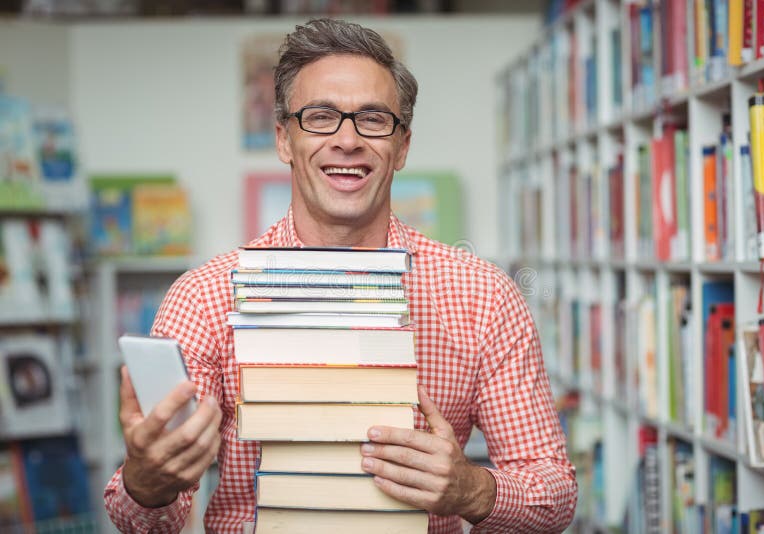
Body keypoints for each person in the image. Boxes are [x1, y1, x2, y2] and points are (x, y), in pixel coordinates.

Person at [104, 18, 577, 533]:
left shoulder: (482, 296)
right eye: (321, 117)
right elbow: (149, 522)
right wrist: (146, 483)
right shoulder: (205, 299)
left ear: (402, 146)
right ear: (284, 139)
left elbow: (553, 493)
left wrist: (473, 489)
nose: (347, 140)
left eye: (373, 119)